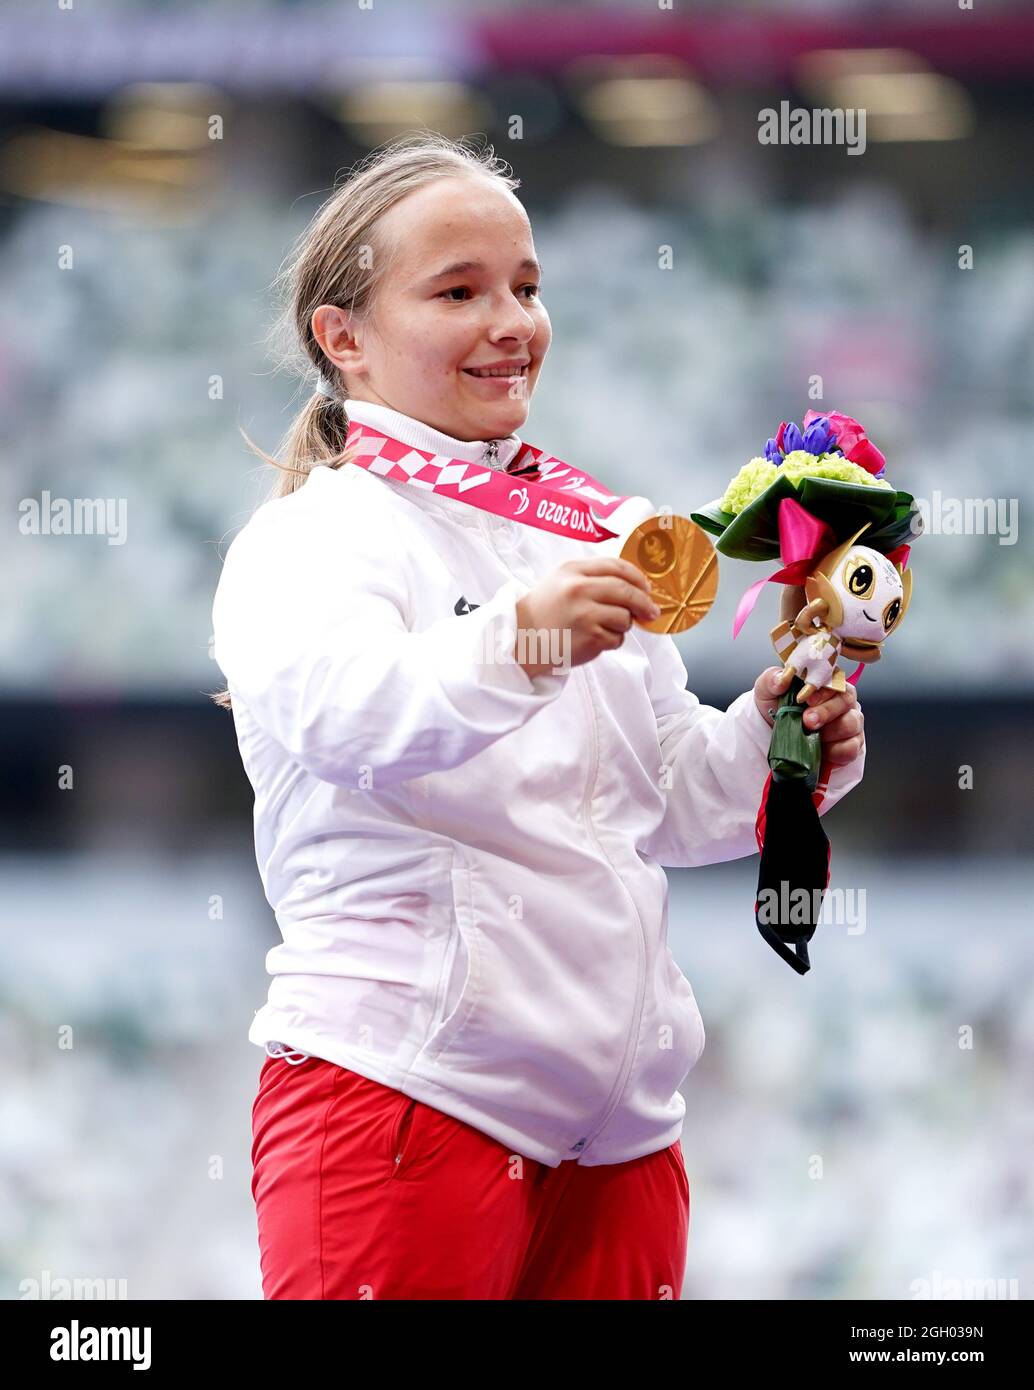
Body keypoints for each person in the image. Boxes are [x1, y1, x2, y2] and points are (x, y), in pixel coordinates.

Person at [209, 132, 866, 1300]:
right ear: (342, 338)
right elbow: (346, 719)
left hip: (618, 1134)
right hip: (402, 1092)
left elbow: (660, 800)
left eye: (524, 285)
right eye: (457, 291)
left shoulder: (584, 525)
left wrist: (774, 746)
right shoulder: (313, 534)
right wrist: (524, 638)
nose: (509, 320)